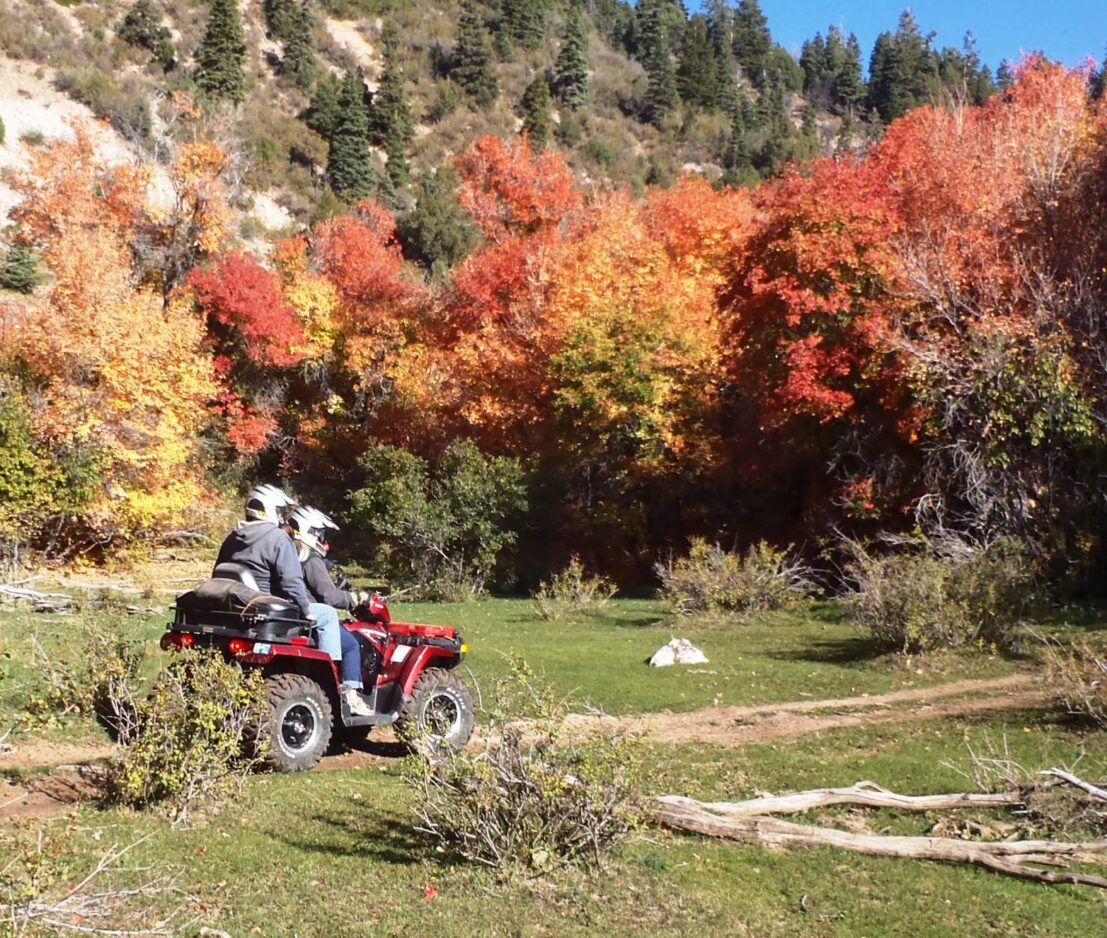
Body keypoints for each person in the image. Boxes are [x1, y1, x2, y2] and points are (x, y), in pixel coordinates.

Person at [214, 485, 372, 717]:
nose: (280, 518)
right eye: (278, 511)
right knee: (327, 614)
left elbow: (217, 572)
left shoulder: (233, 537)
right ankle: (332, 686)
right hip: (268, 608)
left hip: (238, 607)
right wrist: (306, 609)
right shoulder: (276, 537)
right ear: (267, 510)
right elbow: (291, 582)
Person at [287, 506, 375, 711]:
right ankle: (350, 696)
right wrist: (354, 598)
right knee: (352, 645)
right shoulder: (310, 558)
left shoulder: (289, 551)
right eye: (320, 534)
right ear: (310, 531)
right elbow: (329, 595)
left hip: (291, 613)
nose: (323, 539)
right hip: (309, 616)